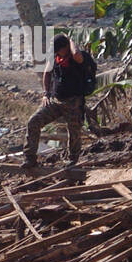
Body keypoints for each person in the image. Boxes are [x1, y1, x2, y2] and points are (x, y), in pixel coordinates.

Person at [24, 34, 90, 168]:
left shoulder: (76, 57)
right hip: (55, 101)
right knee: (33, 121)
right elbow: (47, 73)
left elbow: (77, 54)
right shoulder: (56, 58)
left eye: (59, 49)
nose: (57, 52)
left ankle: (73, 160)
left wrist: (70, 39)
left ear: (66, 47)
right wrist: (46, 94)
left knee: (74, 131)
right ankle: (30, 158)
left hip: (73, 102)